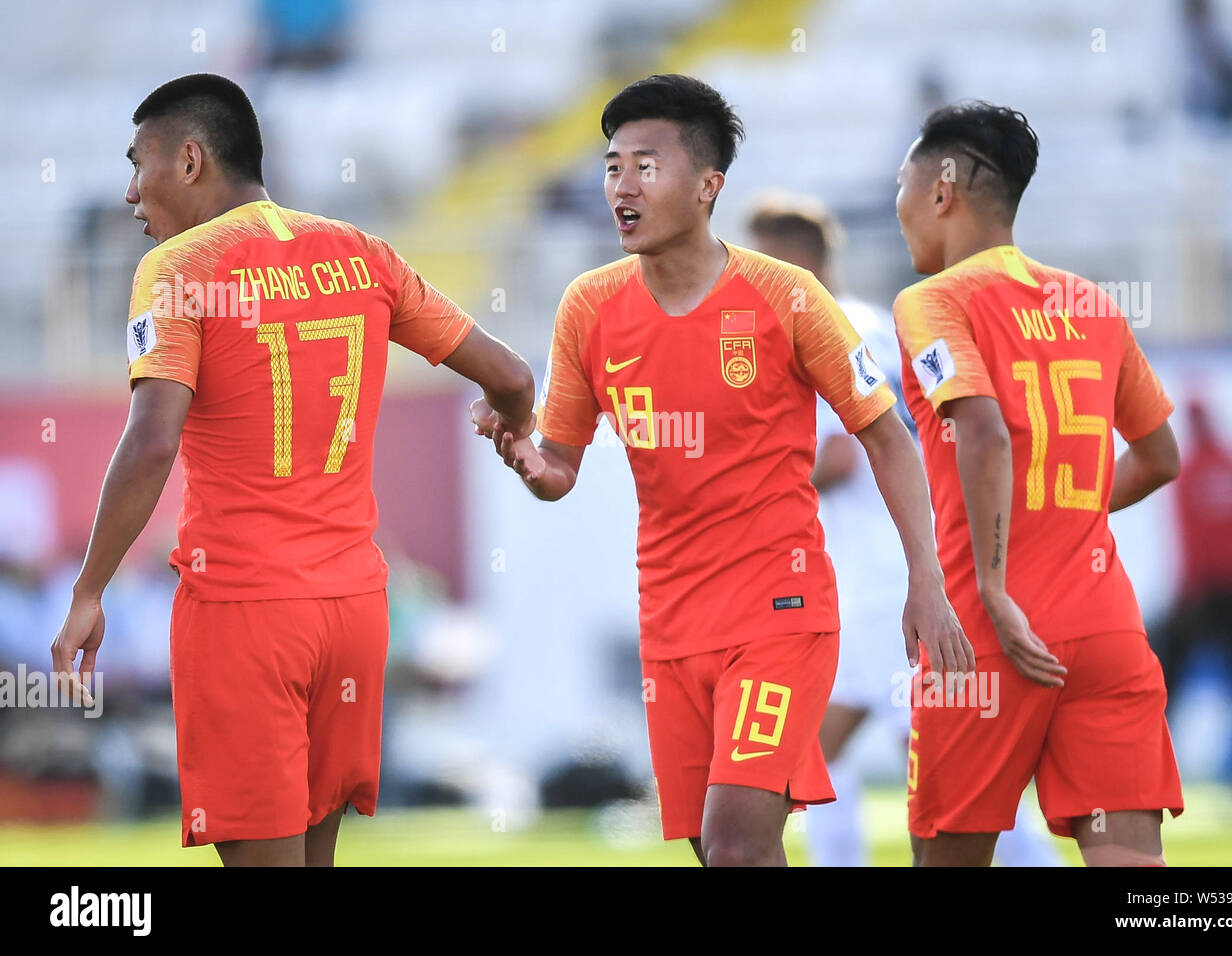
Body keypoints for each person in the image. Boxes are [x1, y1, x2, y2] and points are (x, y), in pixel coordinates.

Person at [473, 73, 973, 867]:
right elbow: (560, 464)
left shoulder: (789, 297)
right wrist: (524, 457)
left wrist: (928, 579)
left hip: (781, 608)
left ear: (709, 186)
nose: (622, 186)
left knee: (740, 843)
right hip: (671, 620)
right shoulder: (588, 307)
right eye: (612, 166)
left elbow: (886, 437)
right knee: (720, 849)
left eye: (646, 164)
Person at [49, 73, 535, 866]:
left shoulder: (180, 267)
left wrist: (89, 590)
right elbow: (511, 375)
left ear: (192, 160)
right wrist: (508, 423)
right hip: (354, 612)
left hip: (245, 611)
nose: (131, 191)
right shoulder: (361, 252)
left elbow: (151, 443)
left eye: (139, 163)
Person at [892, 101, 1185, 866]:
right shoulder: (1092, 303)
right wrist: (1073, 512)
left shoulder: (931, 303)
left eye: (902, 184)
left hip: (985, 637)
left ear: (942, 189)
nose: (897, 208)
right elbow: (1160, 458)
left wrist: (992, 584)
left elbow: (982, 430)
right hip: (1106, 629)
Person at [748, 194, 1062, 868]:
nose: (747, 274)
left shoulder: (821, 329)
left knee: (936, 761)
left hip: (878, 583)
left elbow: (835, 456)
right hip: (896, 570)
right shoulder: (879, 324)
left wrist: (740, 489)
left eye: (760, 258)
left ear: (796, 258)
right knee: (815, 756)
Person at [1157, 396, 1232, 707]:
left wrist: (1187, 586)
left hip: (1201, 590)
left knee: (1171, 667)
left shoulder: (1187, 472)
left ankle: (1159, 728)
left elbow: (1185, 535)